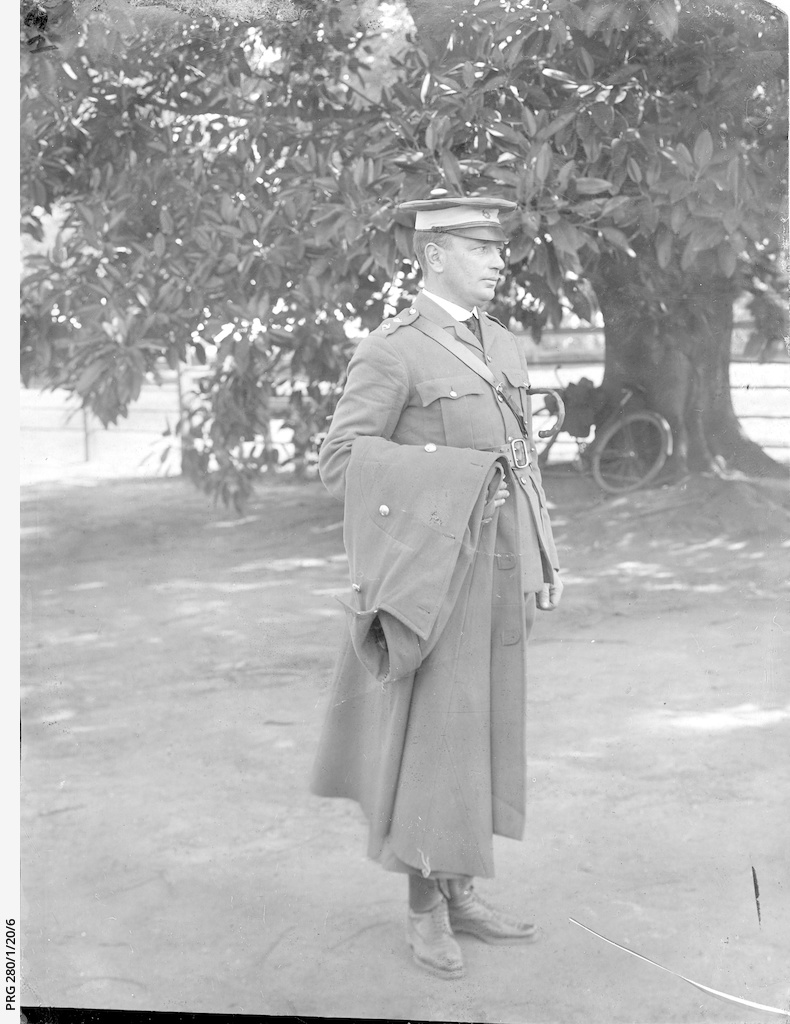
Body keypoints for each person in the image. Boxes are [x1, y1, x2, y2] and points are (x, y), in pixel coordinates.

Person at [310, 195, 563, 980]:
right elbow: (342, 460)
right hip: (435, 582)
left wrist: (546, 553)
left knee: (481, 736)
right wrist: (454, 482)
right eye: (482, 249)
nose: (498, 262)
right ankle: (424, 911)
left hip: (500, 570)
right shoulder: (394, 351)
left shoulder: (504, 346)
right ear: (434, 255)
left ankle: (457, 891)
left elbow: (518, 460)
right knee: (436, 745)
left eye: (499, 249)